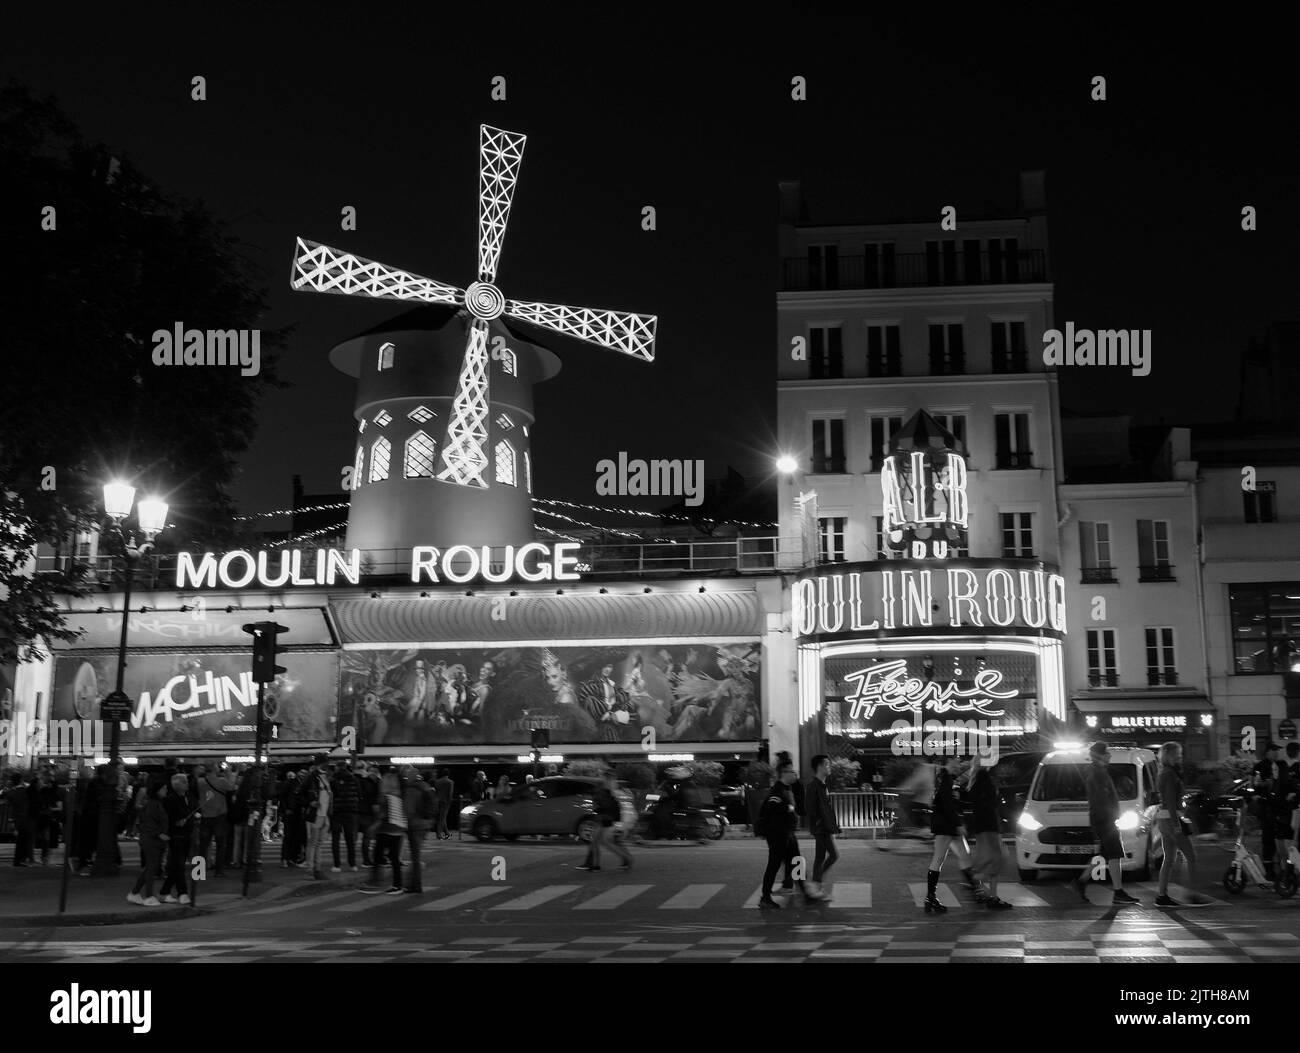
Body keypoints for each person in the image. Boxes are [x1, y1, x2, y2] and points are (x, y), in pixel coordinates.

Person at [1074, 742, 1140, 906]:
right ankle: (1118, 892)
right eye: (1107, 753)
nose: (1110, 755)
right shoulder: (1098, 773)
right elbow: (1102, 798)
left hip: (1100, 818)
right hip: (1104, 819)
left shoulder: (1096, 772)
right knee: (1115, 853)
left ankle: (1082, 880)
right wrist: (1112, 815)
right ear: (1100, 756)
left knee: (1105, 854)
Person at [757, 759, 825, 908]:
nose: (795, 774)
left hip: (788, 835)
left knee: (797, 862)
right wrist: (781, 834)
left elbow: (798, 809)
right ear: (784, 773)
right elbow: (770, 815)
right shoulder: (776, 793)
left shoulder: (788, 789)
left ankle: (805, 893)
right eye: (792, 772)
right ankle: (765, 897)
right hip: (778, 836)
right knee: (774, 865)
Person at [922, 755, 978, 914]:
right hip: (946, 825)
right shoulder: (946, 778)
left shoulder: (945, 777)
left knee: (961, 855)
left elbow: (951, 802)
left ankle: (975, 891)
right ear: (949, 762)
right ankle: (931, 897)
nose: (959, 763)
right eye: (957, 760)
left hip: (946, 824)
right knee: (942, 858)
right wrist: (958, 823)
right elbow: (946, 803)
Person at [966, 751, 1012, 910]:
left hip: (982, 825)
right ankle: (974, 879)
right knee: (998, 857)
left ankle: (991, 895)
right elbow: (990, 802)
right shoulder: (984, 778)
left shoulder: (975, 778)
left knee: (993, 859)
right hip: (989, 825)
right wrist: (997, 796)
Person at [1154, 741, 1197, 907]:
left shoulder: (1162, 772)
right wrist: (1177, 825)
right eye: (1178, 753)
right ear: (1171, 755)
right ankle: (1192, 895)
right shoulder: (1170, 774)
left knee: (1169, 859)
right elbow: (1171, 802)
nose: (1180, 756)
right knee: (1191, 857)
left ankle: (1162, 895)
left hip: (1163, 819)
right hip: (1172, 819)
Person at [361, 771, 406, 894]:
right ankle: (398, 885)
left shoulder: (385, 797)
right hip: (398, 830)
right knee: (394, 858)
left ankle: (375, 883)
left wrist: (373, 827)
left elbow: (382, 815)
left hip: (386, 830)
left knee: (377, 856)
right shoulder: (398, 797)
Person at [577, 773, 631, 872]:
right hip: (606, 817)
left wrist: (598, 811)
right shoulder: (607, 791)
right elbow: (610, 806)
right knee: (599, 841)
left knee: (604, 841)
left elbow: (605, 806)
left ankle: (625, 859)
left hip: (605, 818)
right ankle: (596, 865)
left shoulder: (603, 791)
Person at [127, 780, 169, 906]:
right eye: (164, 788)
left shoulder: (154, 803)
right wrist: (161, 834)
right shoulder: (153, 804)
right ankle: (148, 895)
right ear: (158, 790)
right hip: (153, 839)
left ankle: (135, 893)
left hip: (153, 839)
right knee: (152, 867)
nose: (166, 790)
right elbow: (150, 824)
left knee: (150, 867)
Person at [806, 754, 840, 901]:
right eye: (827, 764)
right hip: (821, 828)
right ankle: (815, 884)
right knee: (833, 855)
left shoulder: (822, 785)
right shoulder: (814, 786)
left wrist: (832, 827)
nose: (829, 766)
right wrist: (820, 825)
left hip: (824, 827)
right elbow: (810, 808)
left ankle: (816, 888)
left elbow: (827, 809)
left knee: (820, 857)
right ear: (819, 767)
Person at [160, 773, 197, 904]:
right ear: (177, 785)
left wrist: (196, 816)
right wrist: (176, 822)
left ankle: (165, 892)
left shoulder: (189, 797)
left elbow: (195, 809)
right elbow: (166, 819)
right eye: (184, 782)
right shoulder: (171, 800)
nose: (187, 784)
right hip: (176, 836)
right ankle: (183, 893)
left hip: (187, 834)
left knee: (177, 866)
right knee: (179, 865)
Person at [195, 762, 235, 877]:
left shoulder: (200, 782)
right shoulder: (221, 781)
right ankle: (219, 871)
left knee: (203, 845)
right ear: (213, 769)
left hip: (205, 816)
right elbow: (231, 787)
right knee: (221, 845)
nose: (219, 768)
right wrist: (228, 772)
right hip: (219, 816)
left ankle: (198, 872)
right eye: (217, 766)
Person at [401, 767, 435, 893]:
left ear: (410, 776)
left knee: (415, 857)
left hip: (415, 825)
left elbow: (409, 810)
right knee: (416, 855)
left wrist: (405, 824)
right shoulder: (425, 786)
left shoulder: (411, 790)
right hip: (426, 824)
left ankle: (414, 885)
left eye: (406, 776)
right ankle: (415, 884)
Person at [300, 754, 334, 880]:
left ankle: (317, 869)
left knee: (318, 843)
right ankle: (310, 870)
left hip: (323, 815)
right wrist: (310, 802)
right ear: (320, 764)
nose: (327, 765)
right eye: (325, 763)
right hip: (316, 815)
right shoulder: (312, 777)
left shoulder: (324, 776)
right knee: (313, 843)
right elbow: (300, 794)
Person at [330, 762, 361, 872]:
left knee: (336, 839)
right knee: (350, 839)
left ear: (337, 768)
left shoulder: (332, 779)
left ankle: (337, 865)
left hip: (336, 811)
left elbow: (330, 795)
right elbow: (359, 793)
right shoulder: (353, 778)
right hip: (350, 811)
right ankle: (352, 864)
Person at [5, 772, 34, 867]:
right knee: (23, 839)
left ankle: (18, 859)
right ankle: (20, 859)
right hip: (24, 818)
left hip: (16, 818)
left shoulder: (11, 793)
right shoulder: (24, 791)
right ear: (20, 780)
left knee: (20, 840)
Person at [279, 771, 304, 867]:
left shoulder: (300, 783)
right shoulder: (292, 783)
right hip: (291, 812)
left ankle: (291, 858)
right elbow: (282, 796)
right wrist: (286, 809)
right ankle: (286, 858)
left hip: (296, 813)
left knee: (295, 836)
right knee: (289, 836)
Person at [433, 768, 454, 840]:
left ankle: (447, 833)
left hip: (437, 801)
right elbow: (450, 794)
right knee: (442, 818)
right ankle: (439, 834)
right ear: (448, 774)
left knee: (441, 817)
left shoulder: (437, 781)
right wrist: (449, 801)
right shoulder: (450, 782)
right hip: (445, 802)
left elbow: (435, 792)